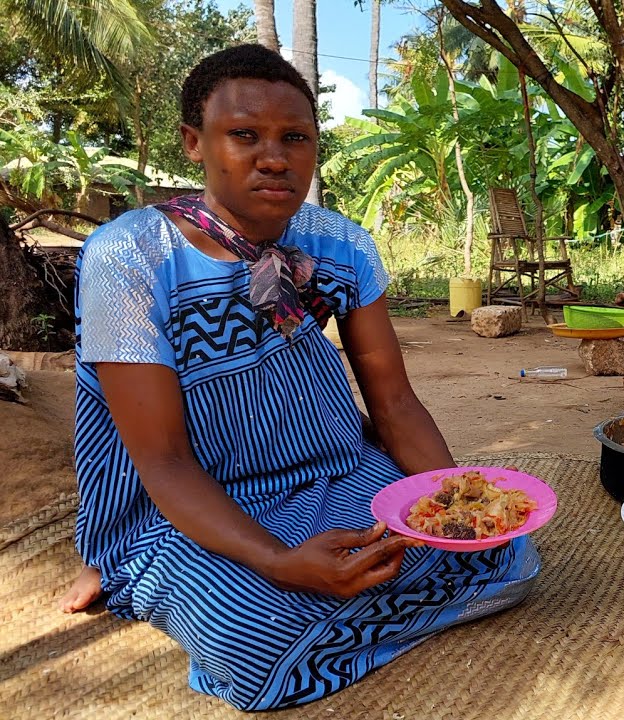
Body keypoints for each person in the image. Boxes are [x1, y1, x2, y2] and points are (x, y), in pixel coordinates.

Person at [59, 44, 540, 710]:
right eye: (244, 136)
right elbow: (164, 460)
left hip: (334, 473)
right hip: (193, 501)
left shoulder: (340, 244)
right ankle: (135, 569)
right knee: (252, 637)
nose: (274, 157)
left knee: (503, 557)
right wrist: (279, 562)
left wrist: (456, 508)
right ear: (194, 143)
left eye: (295, 138)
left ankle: (332, 621)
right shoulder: (131, 256)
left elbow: (395, 404)